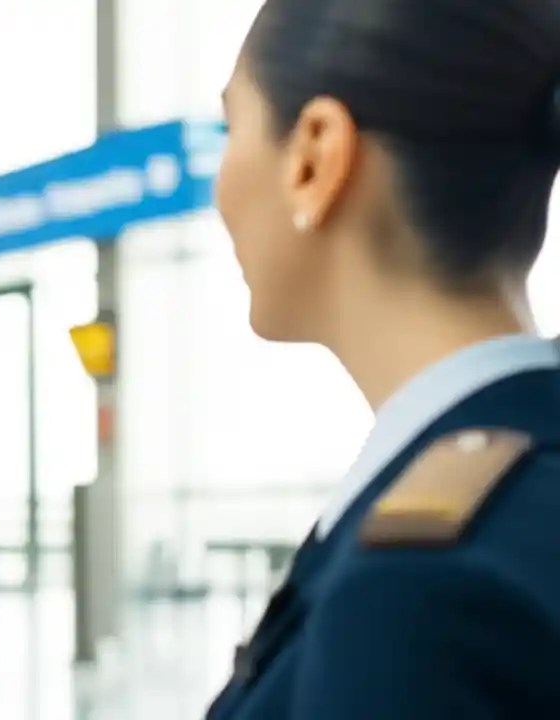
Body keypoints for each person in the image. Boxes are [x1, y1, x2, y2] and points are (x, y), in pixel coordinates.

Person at [207, 0, 560, 717]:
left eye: (230, 127)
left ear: (316, 155)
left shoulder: (413, 597)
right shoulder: (526, 487)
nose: (217, 183)